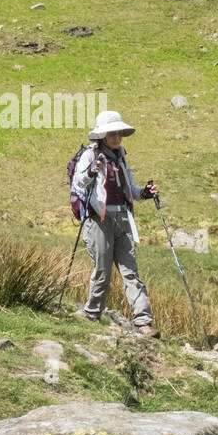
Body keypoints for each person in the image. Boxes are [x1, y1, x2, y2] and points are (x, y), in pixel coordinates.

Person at [71, 110, 160, 337]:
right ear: (102, 135)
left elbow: (130, 190)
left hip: (123, 218)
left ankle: (143, 323)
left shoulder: (121, 157)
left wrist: (145, 193)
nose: (117, 137)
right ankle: (92, 314)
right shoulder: (90, 155)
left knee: (131, 272)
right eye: (112, 133)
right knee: (102, 271)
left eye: (119, 133)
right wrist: (92, 171)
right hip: (99, 220)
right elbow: (79, 180)